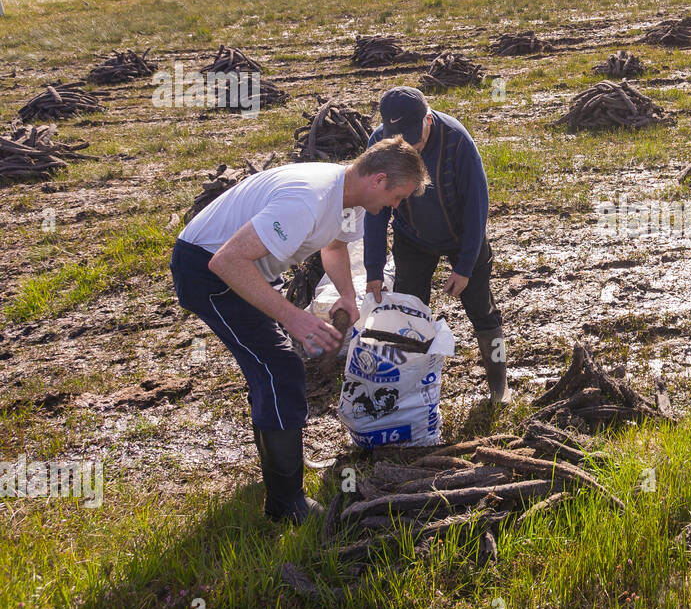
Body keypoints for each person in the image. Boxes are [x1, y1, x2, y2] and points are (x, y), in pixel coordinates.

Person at [171, 137, 430, 523]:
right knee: (280, 368)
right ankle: (285, 503)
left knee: (268, 369)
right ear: (378, 180)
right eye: (397, 197)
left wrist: (347, 296)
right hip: (209, 272)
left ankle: (279, 465)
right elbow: (227, 261)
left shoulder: (348, 197)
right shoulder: (308, 199)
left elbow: (334, 247)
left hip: (241, 269)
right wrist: (294, 317)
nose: (394, 207)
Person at [361, 86, 509, 402]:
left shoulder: (458, 141)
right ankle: (410, 389)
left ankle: (499, 384)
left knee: (483, 311)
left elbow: (477, 207)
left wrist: (465, 265)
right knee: (408, 316)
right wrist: (373, 268)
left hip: (461, 236)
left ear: (428, 118)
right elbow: (374, 210)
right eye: (400, 139)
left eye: (415, 138)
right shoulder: (379, 145)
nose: (409, 147)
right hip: (412, 238)